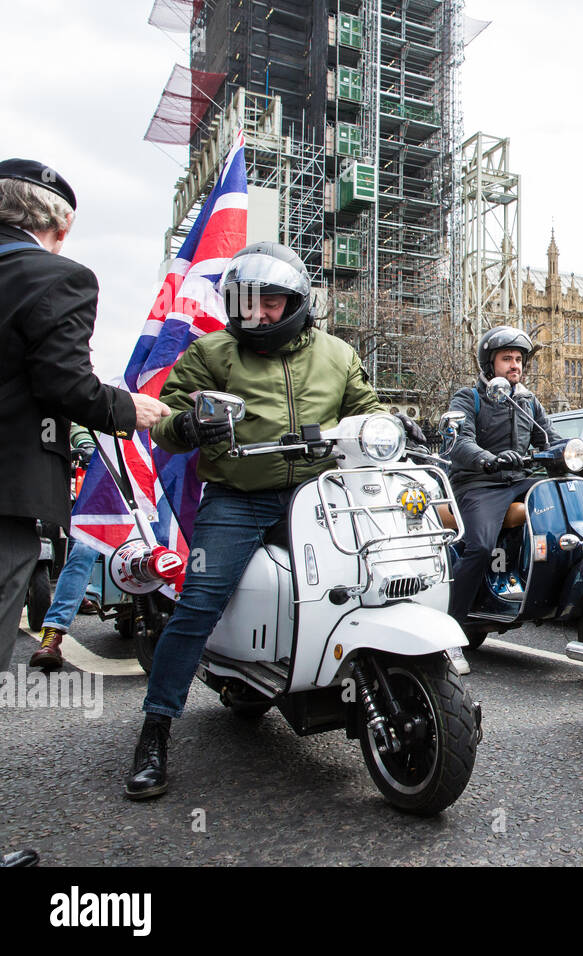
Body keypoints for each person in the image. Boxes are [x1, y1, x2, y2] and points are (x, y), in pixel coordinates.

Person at [123, 241, 421, 801]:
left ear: (298, 301)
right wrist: (191, 427)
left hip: (324, 492)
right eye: (246, 303)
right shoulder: (212, 351)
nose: (257, 314)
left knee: (373, 576)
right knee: (200, 600)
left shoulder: (336, 355)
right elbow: (166, 418)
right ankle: (156, 729)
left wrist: (395, 423)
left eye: (271, 302)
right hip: (238, 495)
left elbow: (366, 406)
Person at [0, 158, 169, 673]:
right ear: (60, 227)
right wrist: (126, 408)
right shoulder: (57, 277)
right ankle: (53, 632)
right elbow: (63, 381)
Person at [444, 326, 563, 626]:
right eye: (507, 358)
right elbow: (459, 441)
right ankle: (450, 629)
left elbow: (549, 438)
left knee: (563, 502)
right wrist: (489, 460)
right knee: (480, 547)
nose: (515, 365)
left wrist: (576, 453)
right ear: (490, 364)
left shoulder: (528, 401)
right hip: (479, 485)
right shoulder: (468, 398)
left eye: (519, 359)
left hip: (517, 481)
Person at [29, 426, 103, 670]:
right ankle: (53, 635)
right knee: (83, 548)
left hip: (150, 486)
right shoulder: (105, 389)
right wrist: (86, 444)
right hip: (105, 484)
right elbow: (80, 421)